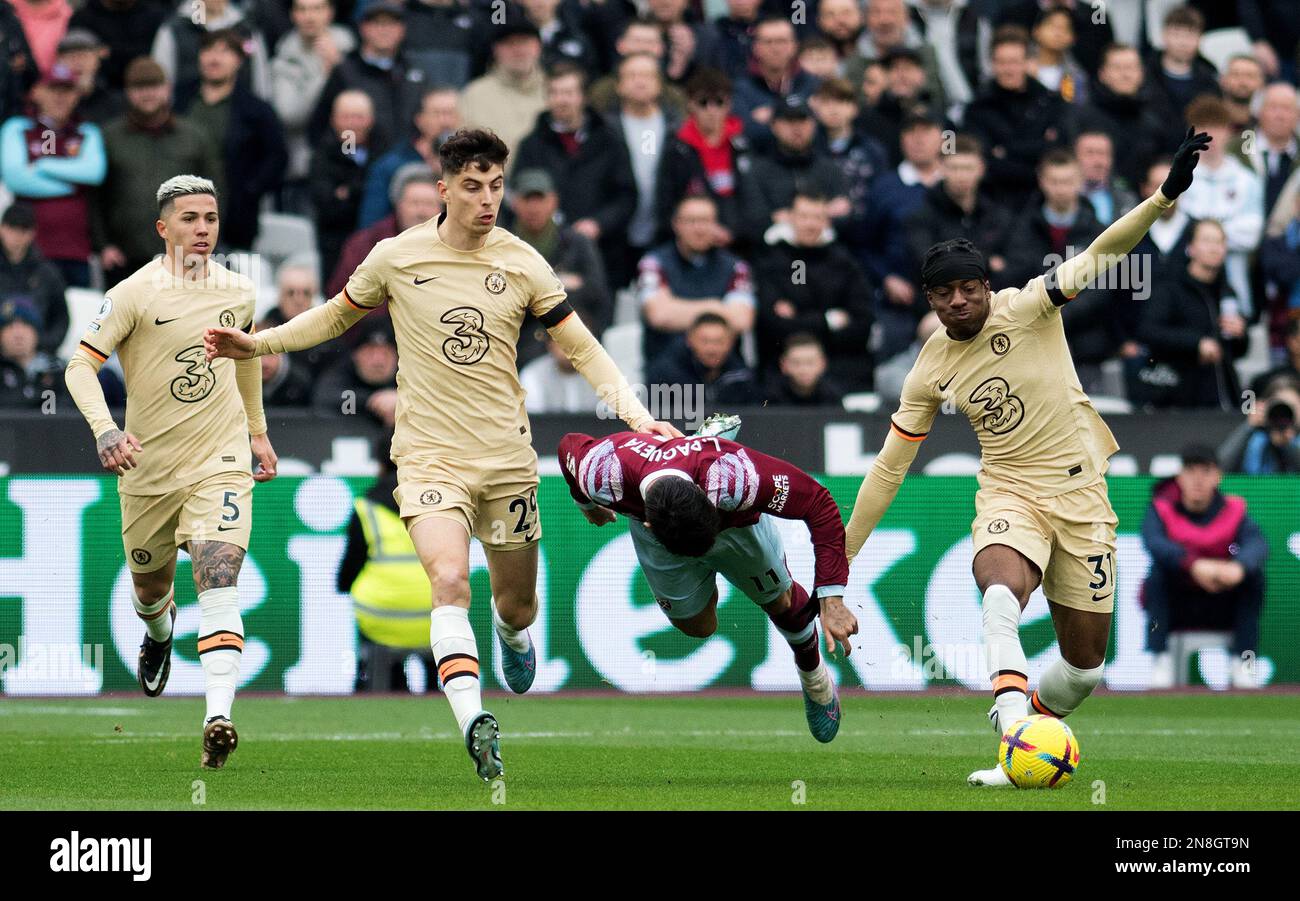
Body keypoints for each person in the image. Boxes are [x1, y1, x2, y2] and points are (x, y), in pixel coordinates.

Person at [204, 128, 678, 782]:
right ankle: (472, 721)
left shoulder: (523, 261)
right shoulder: (395, 256)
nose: (489, 199)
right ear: (445, 186)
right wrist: (257, 344)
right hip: (427, 459)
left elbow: (586, 348)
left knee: (516, 606)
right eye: (475, 186)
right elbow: (335, 317)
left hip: (507, 459)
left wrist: (639, 415)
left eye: (497, 186)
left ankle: (512, 638)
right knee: (449, 581)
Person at [843, 127, 1212, 787]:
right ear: (929, 300)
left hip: (1082, 497)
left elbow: (1100, 253)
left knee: (1083, 670)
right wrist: (840, 557)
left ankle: (1021, 745)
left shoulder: (1030, 307)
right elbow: (889, 467)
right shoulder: (930, 368)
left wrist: (1161, 199)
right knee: (999, 590)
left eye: (968, 287)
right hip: (1010, 494)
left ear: (986, 286)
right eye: (943, 292)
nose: (958, 300)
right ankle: (1012, 717)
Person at [63, 175, 279, 768]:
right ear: (164, 228)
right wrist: (106, 430)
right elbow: (79, 368)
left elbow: (246, 361)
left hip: (221, 462)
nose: (202, 228)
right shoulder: (134, 293)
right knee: (151, 591)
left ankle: (217, 715)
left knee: (219, 579)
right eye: (189, 219)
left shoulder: (240, 291)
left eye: (210, 217)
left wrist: (257, 433)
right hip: (149, 468)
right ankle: (159, 636)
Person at [558, 428, 858, 740]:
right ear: (649, 522)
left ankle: (814, 679)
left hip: (734, 525)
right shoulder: (604, 474)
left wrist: (832, 597)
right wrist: (587, 504)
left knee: (779, 602)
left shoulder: (737, 477)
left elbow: (818, 503)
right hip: (660, 535)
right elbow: (568, 446)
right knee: (698, 626)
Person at [1142, 445, 1268, 690]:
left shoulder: (1234, 509)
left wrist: (1239, 568)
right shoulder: (1161, 508)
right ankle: (1160, 660)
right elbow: (1154, 542)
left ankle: (1243, 663)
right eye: (1190, 471)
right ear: (1180, 477)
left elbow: (1257, 543)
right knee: (1156, 575)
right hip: (1177, 605)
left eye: (1206, 471)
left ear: (1217, 476)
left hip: (1222, 601)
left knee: (1254, 579)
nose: (1198, 479)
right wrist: (1193, 565)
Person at [93, 57, 221, 287]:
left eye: (153, 86)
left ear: (167, 89)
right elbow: (95, 198)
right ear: (128, 93)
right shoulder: (109, 138)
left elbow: (215, 196)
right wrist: (103, 246)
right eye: (139, 87)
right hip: (124, 259)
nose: (147, 94)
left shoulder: (194, 137)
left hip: (183, 257)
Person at [336, 430, 437, 692]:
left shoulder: (365, 507)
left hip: (381, 617)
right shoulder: (441, 502)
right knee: (443, 638)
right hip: (435, 615)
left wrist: (344, 585)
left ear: (379, 464)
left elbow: (347, 575)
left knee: (377, 653)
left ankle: (387, 684)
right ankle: (440, 691)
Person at [176, 29, 287, 255]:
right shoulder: (181, 100)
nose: (214, 58)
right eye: (208, 50)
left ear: (238, 61)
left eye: (225, 51)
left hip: (234, 218)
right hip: (179, 210)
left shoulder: (256, 110)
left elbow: (277, 157)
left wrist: (249, 191)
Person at [0, 62, 107, 288]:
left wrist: (42, 165)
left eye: (66, 91)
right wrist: (72, 183)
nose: (60, 97)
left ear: (76, 96)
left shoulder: (87, 132)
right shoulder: (17, 128)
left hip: (76, 250)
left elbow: (94, 172)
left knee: (81, 319)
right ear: (37, 92)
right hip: (26, 252)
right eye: (53, 89)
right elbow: (16, 179)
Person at [753, 191, 872, 390]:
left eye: (818, 217)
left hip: (840, 367)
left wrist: (799, 318)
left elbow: (862, 325)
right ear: (790, 218)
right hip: (782, 371)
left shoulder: (844, 262)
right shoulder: (771, 261)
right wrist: (829, 321)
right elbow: (773, 327)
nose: (811, 224)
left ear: (827, 221)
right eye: (804, 216)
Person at [1137, 219, 1247, 410]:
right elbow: (1148, 331)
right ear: (1191, 247)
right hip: (1178, 396)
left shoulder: (1227, 292)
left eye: (1219, 242)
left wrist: (1240, 333)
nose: (1214, 248)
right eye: (1207, 241)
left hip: (1223, 394)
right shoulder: (1170, 288)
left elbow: (1238, 350)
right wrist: (1196, 343)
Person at [507, 167, 610, 369]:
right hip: (521, 345)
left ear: (553, 201)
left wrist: (531, 290)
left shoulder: (577, 242)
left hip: (571, 337)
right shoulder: (503, 244)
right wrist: (559, 284)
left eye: (540, 199)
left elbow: (596, 293)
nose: (534, 207)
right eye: (528, 199)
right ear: (515, 203)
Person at [639, 194, 756, 366]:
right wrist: (715, 307)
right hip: (668, 371)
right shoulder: (654, 263)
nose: (699, 229)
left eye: (706, 221)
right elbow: (659, 315)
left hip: (724, 372)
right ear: (676, 224)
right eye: (691, 221)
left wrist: (677, 309)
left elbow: (741, 320)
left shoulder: (736, 266)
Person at [964, 25, 1068, 210]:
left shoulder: (1051, 102)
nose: (1008, 69)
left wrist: (1005, 150)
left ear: (1028, 62)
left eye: (1014, 61)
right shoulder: (977, 108)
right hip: (992, 203)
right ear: (992, 64)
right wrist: (1036, 150)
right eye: (1001, 62)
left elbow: (1057, 153)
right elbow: (983, 164)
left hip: (1043, 204)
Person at [269, 0, 357, 206]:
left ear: (330, 13)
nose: (310, 16)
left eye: (317, 8)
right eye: (303, 9)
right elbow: (289, 115)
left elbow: (361, 104)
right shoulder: (284, 57)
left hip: (350, 161)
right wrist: (324, 76)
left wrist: (340, 68)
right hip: (303, 167)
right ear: (293, 15)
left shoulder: (350, 50)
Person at [325, 162, 439, 297]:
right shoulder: (365, 244)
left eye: (429, 204)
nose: (422, 212)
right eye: (414, 203)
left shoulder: (455, 247)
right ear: (398, 205)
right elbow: (339, 297)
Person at [644, 310, 761, 408]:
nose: (711, 349)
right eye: (704, 341)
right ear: (689, 340)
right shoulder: (665, 375)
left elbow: (753, 417)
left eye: (719, 341)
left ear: (730, 342)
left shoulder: (742, 375)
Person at [0, 200, 67, 354]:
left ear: (32, 233)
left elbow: (61, 318)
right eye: (12, 229)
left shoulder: (47, 273)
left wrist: (42, 344)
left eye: (22, 230)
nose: (16, 237)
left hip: (39, 354)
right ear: (2, 228)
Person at [312, 315, 399, 425]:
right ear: (355, 355)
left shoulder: (408, 375)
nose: (378, 361)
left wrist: (402, 401)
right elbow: (325, 397)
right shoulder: (344, 371)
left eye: (386, 354)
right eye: (370, 353)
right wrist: (372, 401)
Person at [0, 295, 64, 406]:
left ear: (37, 333)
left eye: (25, 325)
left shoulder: (58, 371)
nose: (18, 334)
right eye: (9, 326)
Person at [1219, 387, 1300, 475]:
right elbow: (1220, 468)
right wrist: (1248, 426)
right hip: (1251, 487)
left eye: (1291, 407)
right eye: (1278, 407)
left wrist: (1286, 444)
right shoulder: (1254, 437)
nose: (1283, 414)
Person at [764, 333, 844, 407]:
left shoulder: (833, 395)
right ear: (784, 365)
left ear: (822, 364)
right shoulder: (771, 396)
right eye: (796, 363)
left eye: (810, 363)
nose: (803, 370)